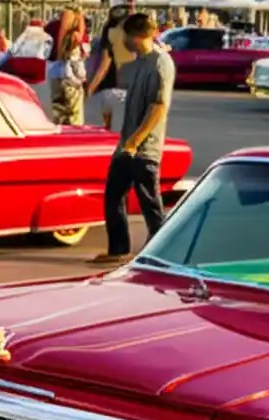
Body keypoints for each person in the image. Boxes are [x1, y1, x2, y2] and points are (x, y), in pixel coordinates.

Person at [91, 12, 174, 265]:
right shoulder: (140, 61)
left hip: (143, 148)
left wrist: (135, 141)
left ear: (137, 36)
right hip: (126, 146)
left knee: (150, 204)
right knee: (114, 195)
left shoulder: (161, 63)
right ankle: (118, 249)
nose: (123, 40)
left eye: (126, 35)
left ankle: (163, 253)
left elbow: (158, 107)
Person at [84, 4, 134, 131]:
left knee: (106, 128)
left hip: (109, 87)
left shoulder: (111, 31)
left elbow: (104, 64)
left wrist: (90, 88)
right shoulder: (132, 34)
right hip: (128, 87)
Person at [49, 10, 87, 125]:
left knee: (58, 113)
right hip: (71, 80)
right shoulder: (75, 37)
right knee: (74, 117)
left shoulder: (52, 27)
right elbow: (77, 63)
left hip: (55, 74)